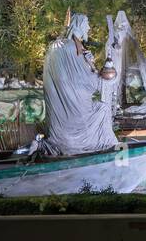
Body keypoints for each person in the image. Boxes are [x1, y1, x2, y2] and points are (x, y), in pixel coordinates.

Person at [42, 14, 119, 156]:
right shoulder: (73, 48)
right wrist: (102, 75)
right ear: (79, 25)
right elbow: (87, 81)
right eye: (86, 24)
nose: (89, 27)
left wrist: (89, 62)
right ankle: (107, 146)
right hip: (74, 115)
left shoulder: (58, 46)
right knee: (102, 109)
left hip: (58, 115)